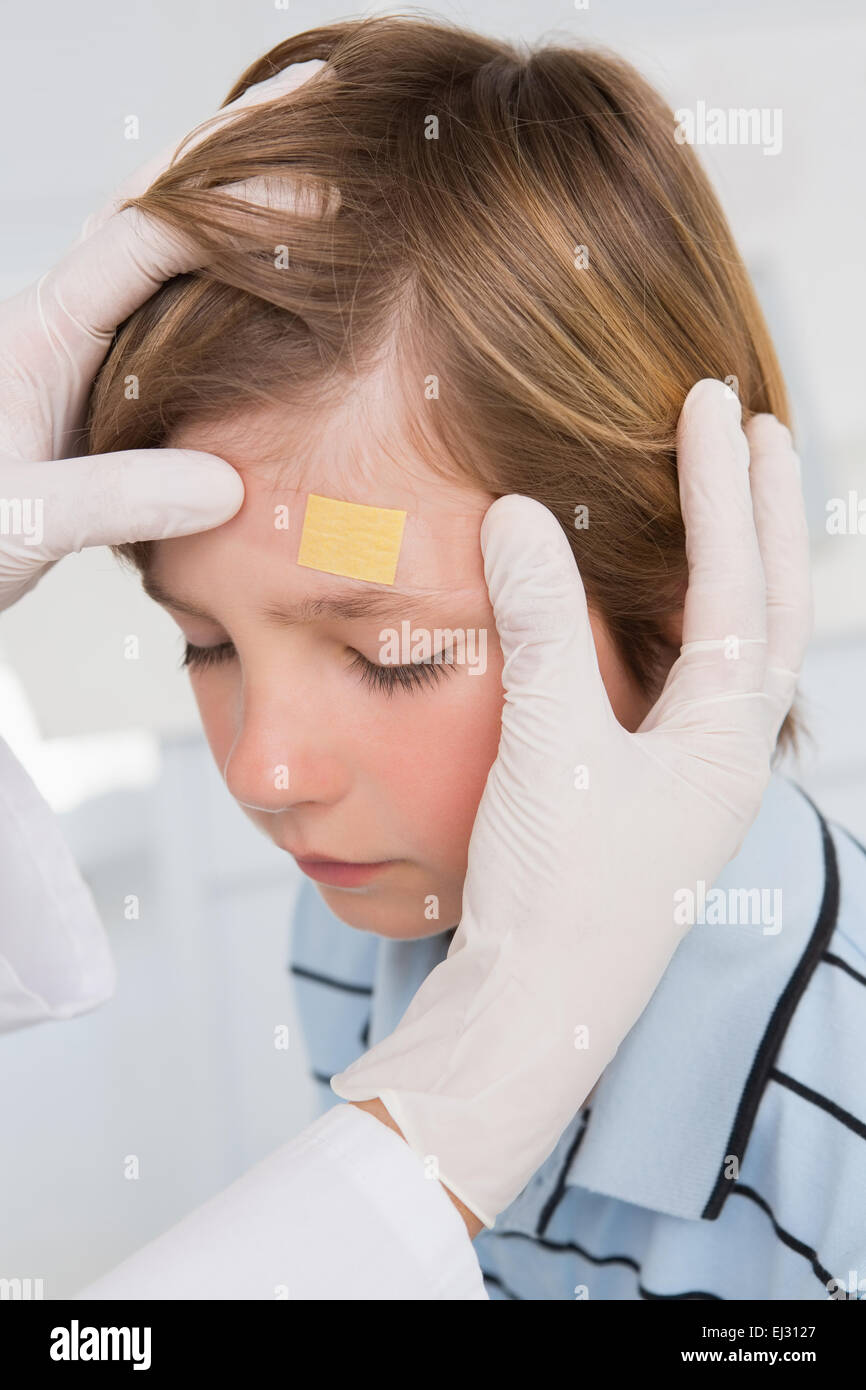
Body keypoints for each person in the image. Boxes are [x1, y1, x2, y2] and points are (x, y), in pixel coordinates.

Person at [0, 20, 834, 1300]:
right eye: (204, 642)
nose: (264, 772)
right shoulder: (351, 932)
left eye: (389, 655)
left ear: (679, 596)